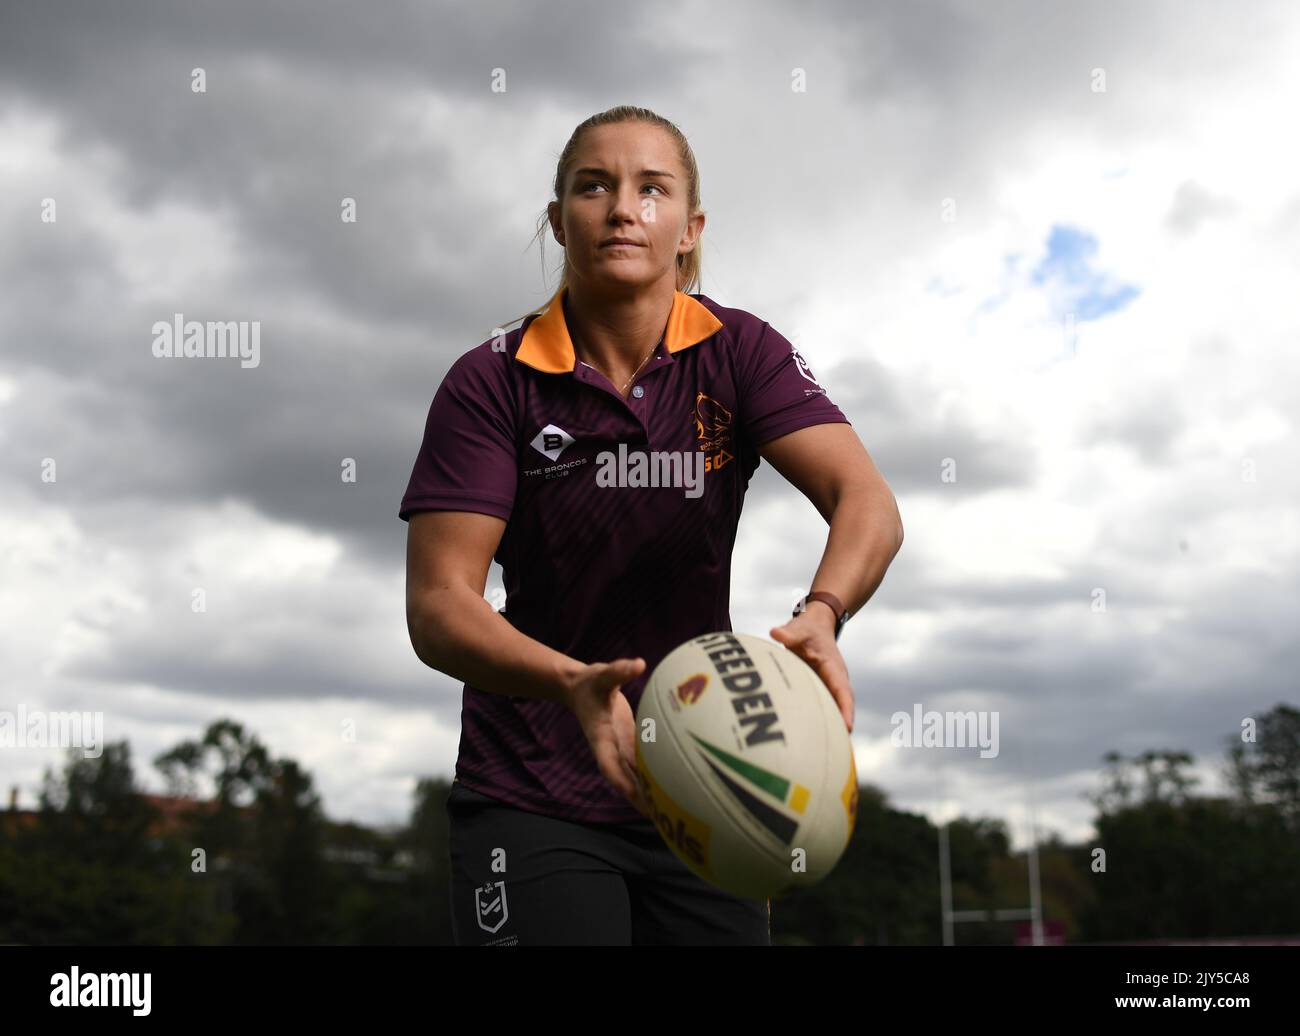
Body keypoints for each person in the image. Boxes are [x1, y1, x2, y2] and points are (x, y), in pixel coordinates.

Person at [400, 105, 903, 945]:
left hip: (708, 779)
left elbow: (869, 503)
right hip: (531, 785)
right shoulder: (489, 383)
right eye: (592, 186)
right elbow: (440, 605)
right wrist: (570, 683)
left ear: (687, 227)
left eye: (651, 189)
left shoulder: (740, 352)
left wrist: (823, 612)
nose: (622, 207)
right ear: (560, 221)